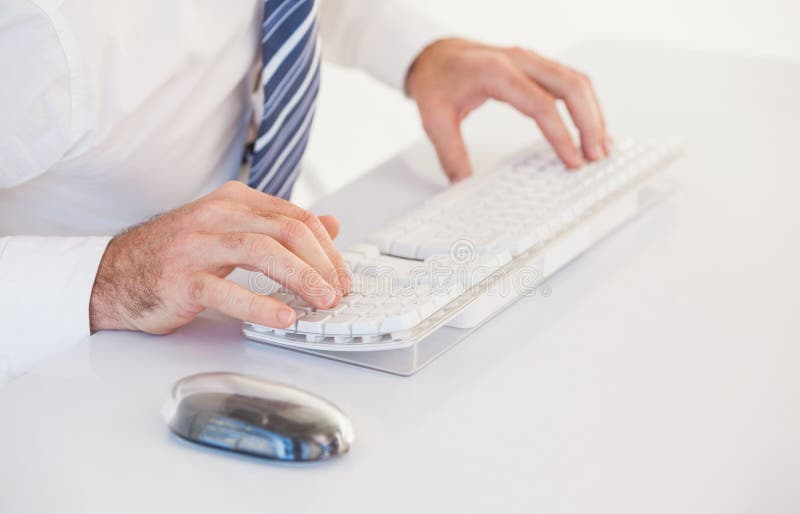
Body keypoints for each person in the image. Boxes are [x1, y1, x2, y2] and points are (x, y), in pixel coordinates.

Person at [0, 0, 610, 378]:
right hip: (61, 390)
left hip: (226, 345)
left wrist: (421, 52)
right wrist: (112, 278)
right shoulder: (37, 29)